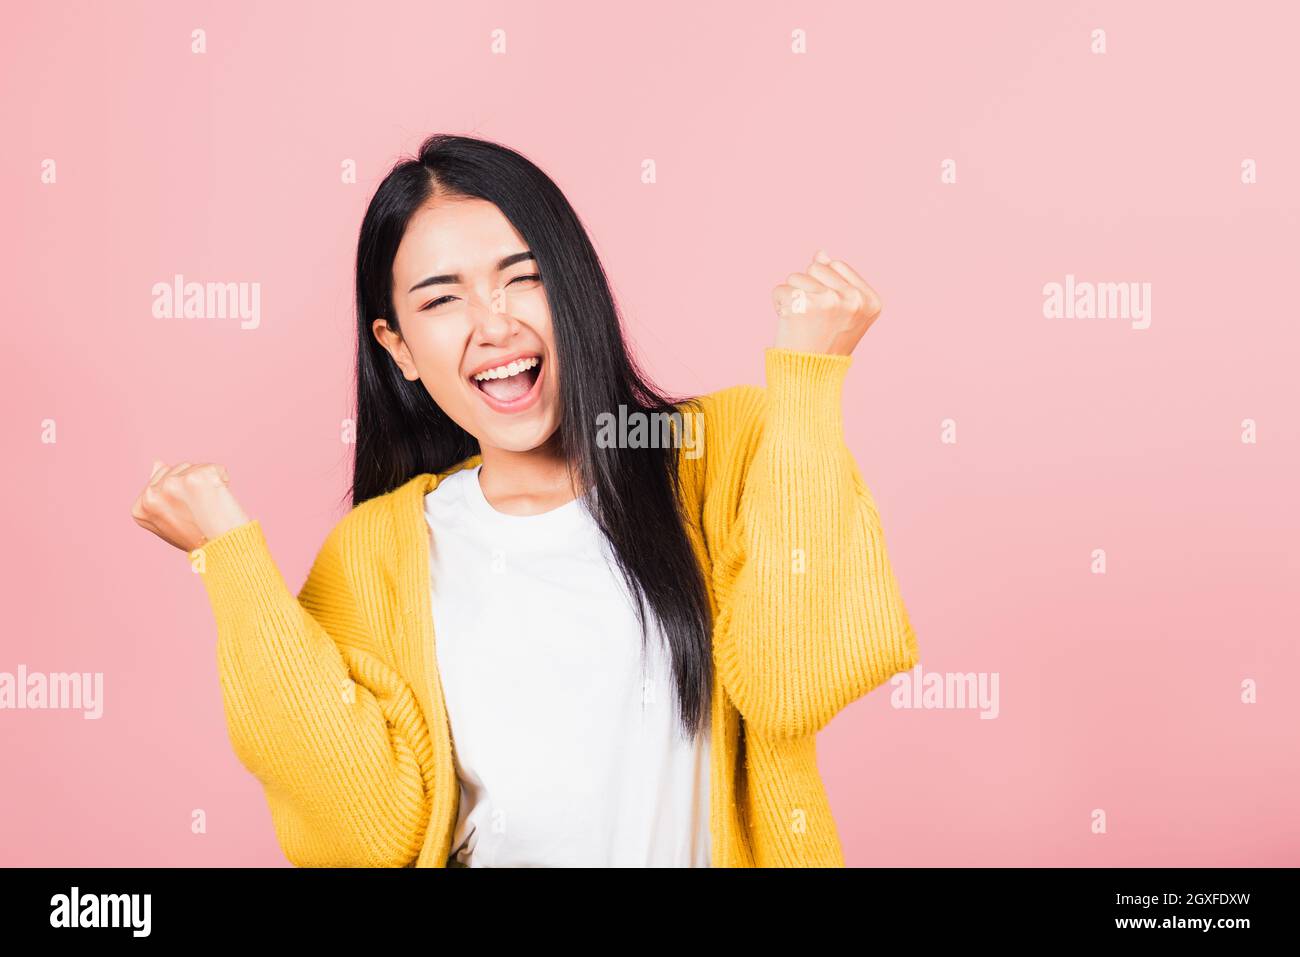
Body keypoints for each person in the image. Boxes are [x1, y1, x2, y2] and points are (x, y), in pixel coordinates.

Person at [130, 133, 920, 867]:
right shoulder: (376, 551)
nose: (494, 322)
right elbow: (363, 832)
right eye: (442, 300)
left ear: (574, 288)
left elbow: (798, 681)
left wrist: (810, 381)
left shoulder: (723, 450)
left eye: (524, 277)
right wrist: (228, 558)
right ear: (397, 346)